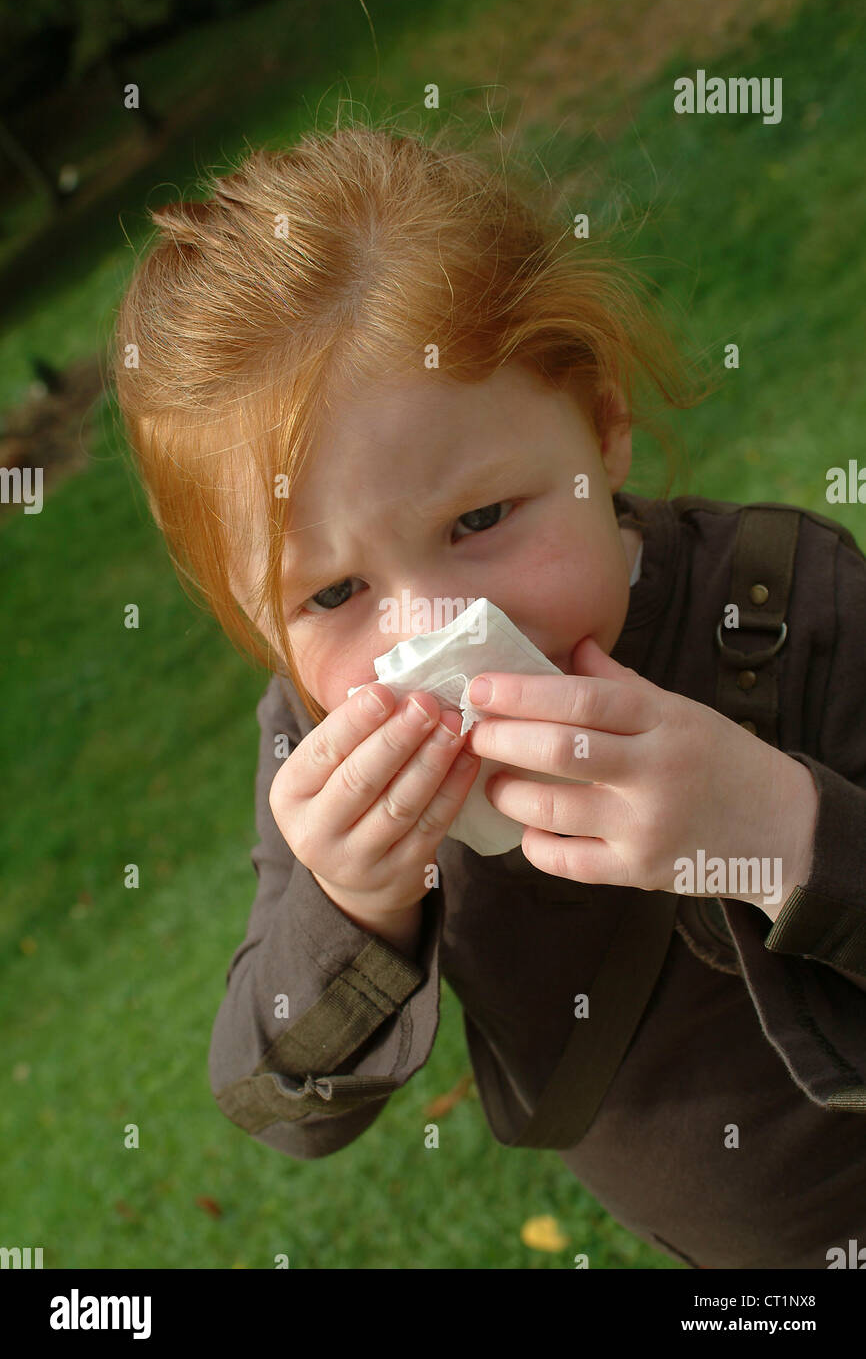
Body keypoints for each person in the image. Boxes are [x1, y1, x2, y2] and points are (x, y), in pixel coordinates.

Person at [111, 124, 866, 1269]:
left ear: (600, 424)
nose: (428, 630)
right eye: (332, 593)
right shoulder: (318, 752)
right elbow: (279, 1097)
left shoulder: (778, 598)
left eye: (478, 522)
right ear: (257, 620)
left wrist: (769, 830)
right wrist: (357, 903)